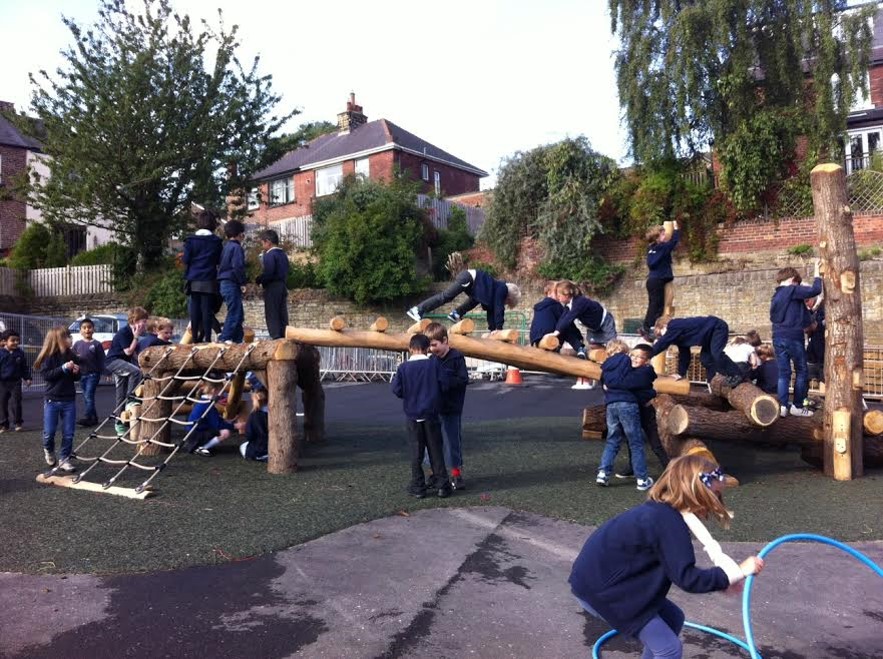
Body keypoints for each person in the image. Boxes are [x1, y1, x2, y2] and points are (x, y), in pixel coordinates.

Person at [569, 455, 765, 659]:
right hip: (606, 592)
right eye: (715, 495)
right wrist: (738, 572)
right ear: (697, 491)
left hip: (610, 583)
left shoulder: (662, 512)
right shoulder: (667, 523)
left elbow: (675, 569)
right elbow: (688, 579)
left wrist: (724, 579)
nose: (717, 503)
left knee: (673, 618)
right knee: (669, 649)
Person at [391, 334, 451, 499]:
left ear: (410, 349)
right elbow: (445, 384)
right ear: (427, 349)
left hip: (412, 414)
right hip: (431, 414)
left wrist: (409, 395)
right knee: (435, 451)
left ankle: (418, 486)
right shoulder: (434, 365)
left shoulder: (403, 368)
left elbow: (396, 389)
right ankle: (442, 485)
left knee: (416, 453)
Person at [596, 339, 653, 491]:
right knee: (635, 442)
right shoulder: (625, 361)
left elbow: (605, 386)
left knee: (612, 440)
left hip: (611, 405)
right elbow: (632, 380)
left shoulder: (606, 367)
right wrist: (651, 391)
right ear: (625, 351)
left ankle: (603, 473)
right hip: (627, 403)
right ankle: (642, 479)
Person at [770, 261, 822, 417]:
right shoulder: (792, 290)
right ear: (793, 279)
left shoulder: (776, 296)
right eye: (798, 284)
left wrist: (811, 308)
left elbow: (803, 319)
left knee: (783, 374)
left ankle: (783, 407)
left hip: (777, 337)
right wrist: (817, 272)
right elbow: (816, 289)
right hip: (793, 337)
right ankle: (798, 406)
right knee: (801, 371)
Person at [614, 344, 670, 479]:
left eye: (639, 357)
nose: (634, 359)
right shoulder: (629, 369)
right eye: (632, 355)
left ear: (647, 360)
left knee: (654, 442)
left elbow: (627, 384)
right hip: (631, 410)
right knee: (631, 440)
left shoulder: (645, 371)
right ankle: (632, 466)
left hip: (644, 410)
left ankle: (669, 470)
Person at [426, 322, 470, 490]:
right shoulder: (431, 360)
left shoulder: (456, 358)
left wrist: (444, 379)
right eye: (429, 346)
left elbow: (463, 380)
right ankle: (434, 472)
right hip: (434, 408)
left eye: (434, 345)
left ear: (445, 341)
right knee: (431, 441)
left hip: (451, 408)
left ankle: (456, 474)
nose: (432, 349)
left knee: (452, 442)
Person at [406, 269, 521, 331]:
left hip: (473, 284)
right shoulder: (502, 288)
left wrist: (493, 330)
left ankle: (456, 313)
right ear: (509, 296)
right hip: (469, 278)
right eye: (507, 302)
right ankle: (417, 310)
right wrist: (499, 329)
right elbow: (499, 309)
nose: (505, 304)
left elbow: (492, 311)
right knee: (446, 296)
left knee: (474, 300)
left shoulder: (493, 291)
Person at [651, 315, 745, 387]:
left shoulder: (673, 325)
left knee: (716, 354)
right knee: (706, 359)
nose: (661, 337)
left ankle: (737, 374)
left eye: (660, 333)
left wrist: (648, 354)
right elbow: (684, 355)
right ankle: (720, 379)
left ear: (663, 325)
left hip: (717, 327)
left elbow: (663, 342)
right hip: (709, 336)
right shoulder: (678, 337)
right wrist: (680, 373)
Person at [35, 327, 81, 471]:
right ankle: (48, 450)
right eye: (67, 337)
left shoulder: (70, 354)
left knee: (68, 433)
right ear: (59, 340)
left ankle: (64, 459)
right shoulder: (50, 357)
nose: (70, 339)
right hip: (52, 400)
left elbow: (76, 377)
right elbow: (47, 375)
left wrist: (76, 372)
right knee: (49, 433)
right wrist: (63, 368)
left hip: (68, 400)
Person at [183, 209, 224, 343]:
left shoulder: (190, 240)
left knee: (194, 309)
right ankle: (207, 339)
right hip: (209, 278)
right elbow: (219, 261)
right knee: (207, 310)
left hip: (194, 277)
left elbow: (186, 260)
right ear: (213, 224)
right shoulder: (216, 241)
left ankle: (194, 339)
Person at [550, 280, 617, 358]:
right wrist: (555, 331)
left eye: (559, 296)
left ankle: (615, 357)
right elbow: (562, 319)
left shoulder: (579, 302)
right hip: (593, 327)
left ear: (566, 294)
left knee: (612, 345)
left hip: (605, 322)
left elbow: (568, 319)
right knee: (593, 345)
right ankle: (603, 355)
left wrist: (556, 333)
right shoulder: (568, 306)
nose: (558, 298)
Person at [105, 307, 149, 412]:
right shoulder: (124, 332)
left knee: (121, 390)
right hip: (114, 361)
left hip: (123, 362)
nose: (145, 324)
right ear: (135, 321)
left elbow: (133, 353)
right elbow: (128, 351)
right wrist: (136, 337)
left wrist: (140, 363)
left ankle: (119, 418)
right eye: (144, 321)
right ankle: (131, 397)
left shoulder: (131, 333)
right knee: (136, 372)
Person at [642, 221, 679, 339]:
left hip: (652, 280)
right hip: (658, 280)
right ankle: (651, 327)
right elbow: (673, 242)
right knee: (658, 306)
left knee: (653, 304)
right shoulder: (662, 247)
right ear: (657, 238)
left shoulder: (651, 249)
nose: (665, 236)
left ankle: (647, 326)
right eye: (663, 235)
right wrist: (676, 230)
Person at [185, 376, 235, 456]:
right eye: (220, 391)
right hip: (196, 435)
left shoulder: (203, 401)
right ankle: (202, 448)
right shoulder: (207, 405)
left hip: (193, 432)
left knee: (223, 427)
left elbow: (214, 419)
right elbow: (217, 425)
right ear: (214, 391)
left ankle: (201, 445)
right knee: (225, 432)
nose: (222, 394)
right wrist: (234, 426)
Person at [256, 229, 289, 340]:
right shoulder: (283, 254)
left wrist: (260, 280)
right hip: (282, 286)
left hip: (272, 287)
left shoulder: (269, 255)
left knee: (272, 312)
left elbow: (269, 272)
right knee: (282, 312)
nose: (263, 246)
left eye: (263, 243)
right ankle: (285, 334)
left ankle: (275, 336)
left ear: (268, 242)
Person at [72, 318, 105, 427]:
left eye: (89, 327)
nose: (87, 330)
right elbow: (72, 357)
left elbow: (102, 360)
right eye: (84, 328)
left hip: (93, 374)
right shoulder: (77, 344)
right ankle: (94, 418)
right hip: (82, 375)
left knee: (88, 396)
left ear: (93, 329)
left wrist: (106, 372)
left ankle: (87, 417)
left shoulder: (97, 344)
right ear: (80, 331)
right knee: (87, 396)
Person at [218, 219, 247, 343]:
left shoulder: (226, 247)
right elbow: (238, 266)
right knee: (235, 311)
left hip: (223, 282)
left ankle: (237, 339)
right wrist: (242, 282)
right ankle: (225, 338)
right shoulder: (236, 248)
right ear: (240, 234)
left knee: (239, 313)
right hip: (231, 282)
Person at [0, 329, 32, 432]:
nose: (16, 342)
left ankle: (18, 423)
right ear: (4, 341)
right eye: (13, 340)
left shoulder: (20, 353)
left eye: (17, 340)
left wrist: (27, 378)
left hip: (15, 382)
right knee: (2, 403)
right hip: (2, 383)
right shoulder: (1, 353)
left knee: (16, 402)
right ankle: (4, 424)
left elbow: (24, 367)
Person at [238, 389, 269, 462]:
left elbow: (249, 435)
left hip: (259, 449)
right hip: (274, 446)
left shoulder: (254, 415)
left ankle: (261, 456)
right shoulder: (274, 413)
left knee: (243, 446)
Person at [805, 297, 825, 385]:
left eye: (807, 300)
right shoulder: (812, 311)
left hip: (821, 354)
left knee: (823, 381)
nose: (806, 304)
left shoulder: (822, 310)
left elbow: (818, 326)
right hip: (812, 355)